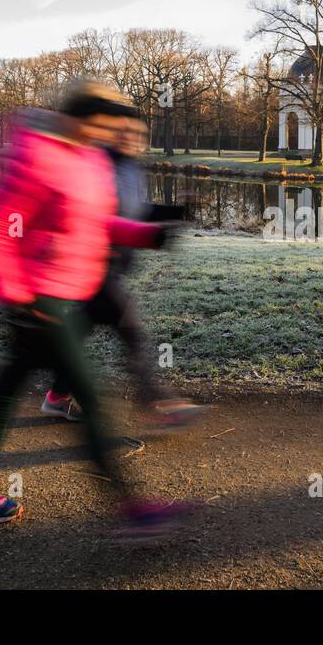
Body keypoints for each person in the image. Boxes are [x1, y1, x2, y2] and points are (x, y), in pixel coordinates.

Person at [0, 81, 190, 535]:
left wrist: (147, 235)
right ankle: (133, 507)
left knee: (5, 390)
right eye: (101, 125)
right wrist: (18, 298)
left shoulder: (90, 158)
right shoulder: (37, 157)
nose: (109, 136)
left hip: (71, 292)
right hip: (41, 301)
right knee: (93, 397)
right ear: (79, 119)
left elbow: (95, 223)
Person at [38, 114, 206, 433]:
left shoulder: (130, 167)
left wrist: (179, 211)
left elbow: (137, 210)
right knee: (132, 331)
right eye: (123, 132)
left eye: (136, 133)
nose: (130, 137)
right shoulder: (100, 164)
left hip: (108, 270)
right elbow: (96, 214)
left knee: (81, 331)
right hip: (97, 266)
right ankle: (156, 406)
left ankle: (56, 396)